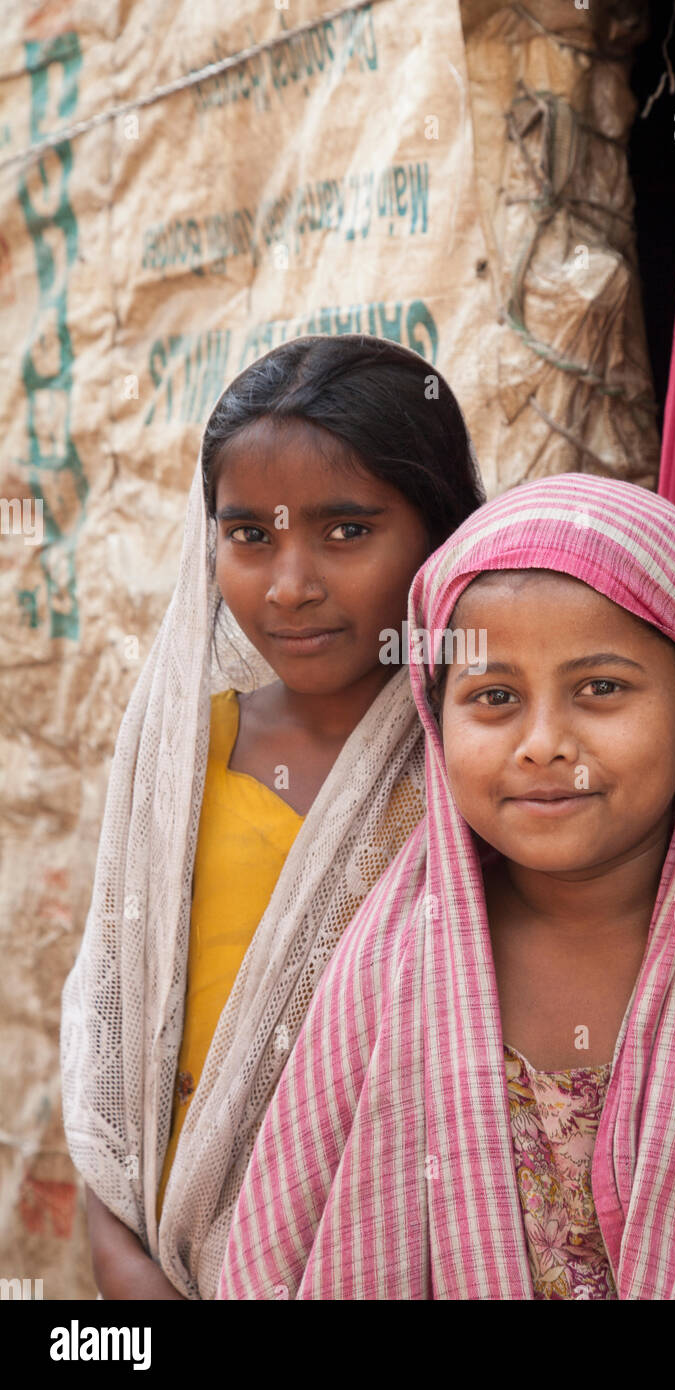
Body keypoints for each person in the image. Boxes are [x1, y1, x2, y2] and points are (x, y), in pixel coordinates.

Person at [217, 472, 675, 1300]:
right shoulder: (389, 961)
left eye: (600, 689)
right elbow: (289, 1245)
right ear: (435, 718)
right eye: (494, 697)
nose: (544, 744)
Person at [60, 334, 485, 1299]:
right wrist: (126, 1263)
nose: (289, 585)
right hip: (166, 1258)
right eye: (250, 534)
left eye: (345, 531)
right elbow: (115, 1061)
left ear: (439, 534)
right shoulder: (176, 764)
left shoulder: (478, 777)